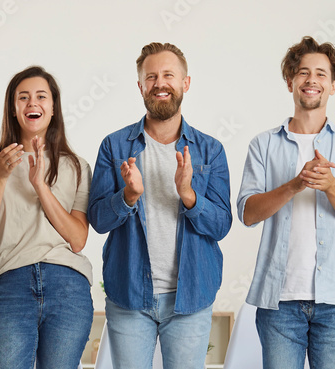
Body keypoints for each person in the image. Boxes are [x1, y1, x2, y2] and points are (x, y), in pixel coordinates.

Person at [88, 42, 232, 369]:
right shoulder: (114, 146)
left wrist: (189, 195)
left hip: (190, 299)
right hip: (129, 299)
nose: (160, 83)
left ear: (186, 83)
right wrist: (128, 197)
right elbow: (97, 219)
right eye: (151, 77)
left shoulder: (210, 150)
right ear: (140, 86)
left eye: (169, 75)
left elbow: (221, 224)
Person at [236, 36, 335, 368]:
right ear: (290, 82)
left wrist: (331, 186)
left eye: (322, 74)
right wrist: (296, 184)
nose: (312, 80)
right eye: (303, 73)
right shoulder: (263, 144)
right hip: (278, 303)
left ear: (334, 85)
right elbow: (247, 213)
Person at [0, 66, 93, 369]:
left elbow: (78, 239)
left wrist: (40, 186)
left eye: (41, 96)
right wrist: (1, 177)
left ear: (53, 107)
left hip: (68, 285)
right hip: (10, 283)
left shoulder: (77, 167)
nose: (33, 103)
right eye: (23, 97)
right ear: (13, 108)